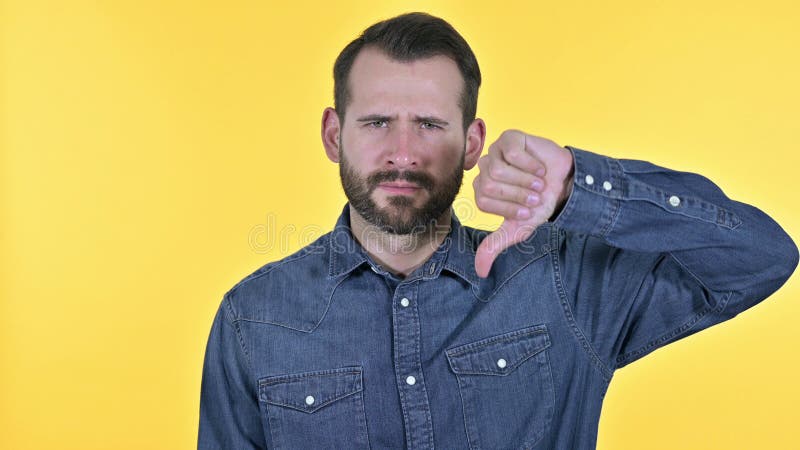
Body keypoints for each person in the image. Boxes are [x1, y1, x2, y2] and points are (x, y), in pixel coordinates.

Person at [198, 12, 797, 450]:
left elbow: (761, 256)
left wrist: (576, 188)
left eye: (430, 124)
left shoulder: (563, 283)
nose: (402, 154)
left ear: (473, 142)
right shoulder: (253, 316)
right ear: (334, 135)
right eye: (378, 121)